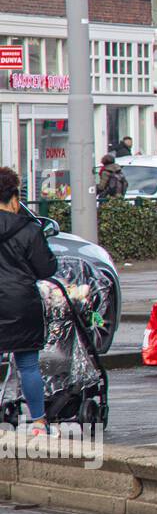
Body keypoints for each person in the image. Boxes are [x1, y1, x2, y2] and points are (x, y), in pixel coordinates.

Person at [0, 167, 59, 437]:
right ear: (14, 197)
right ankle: (38, 423)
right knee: (27, 364)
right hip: (21, 303)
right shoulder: (29, 229)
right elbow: (46, 268)